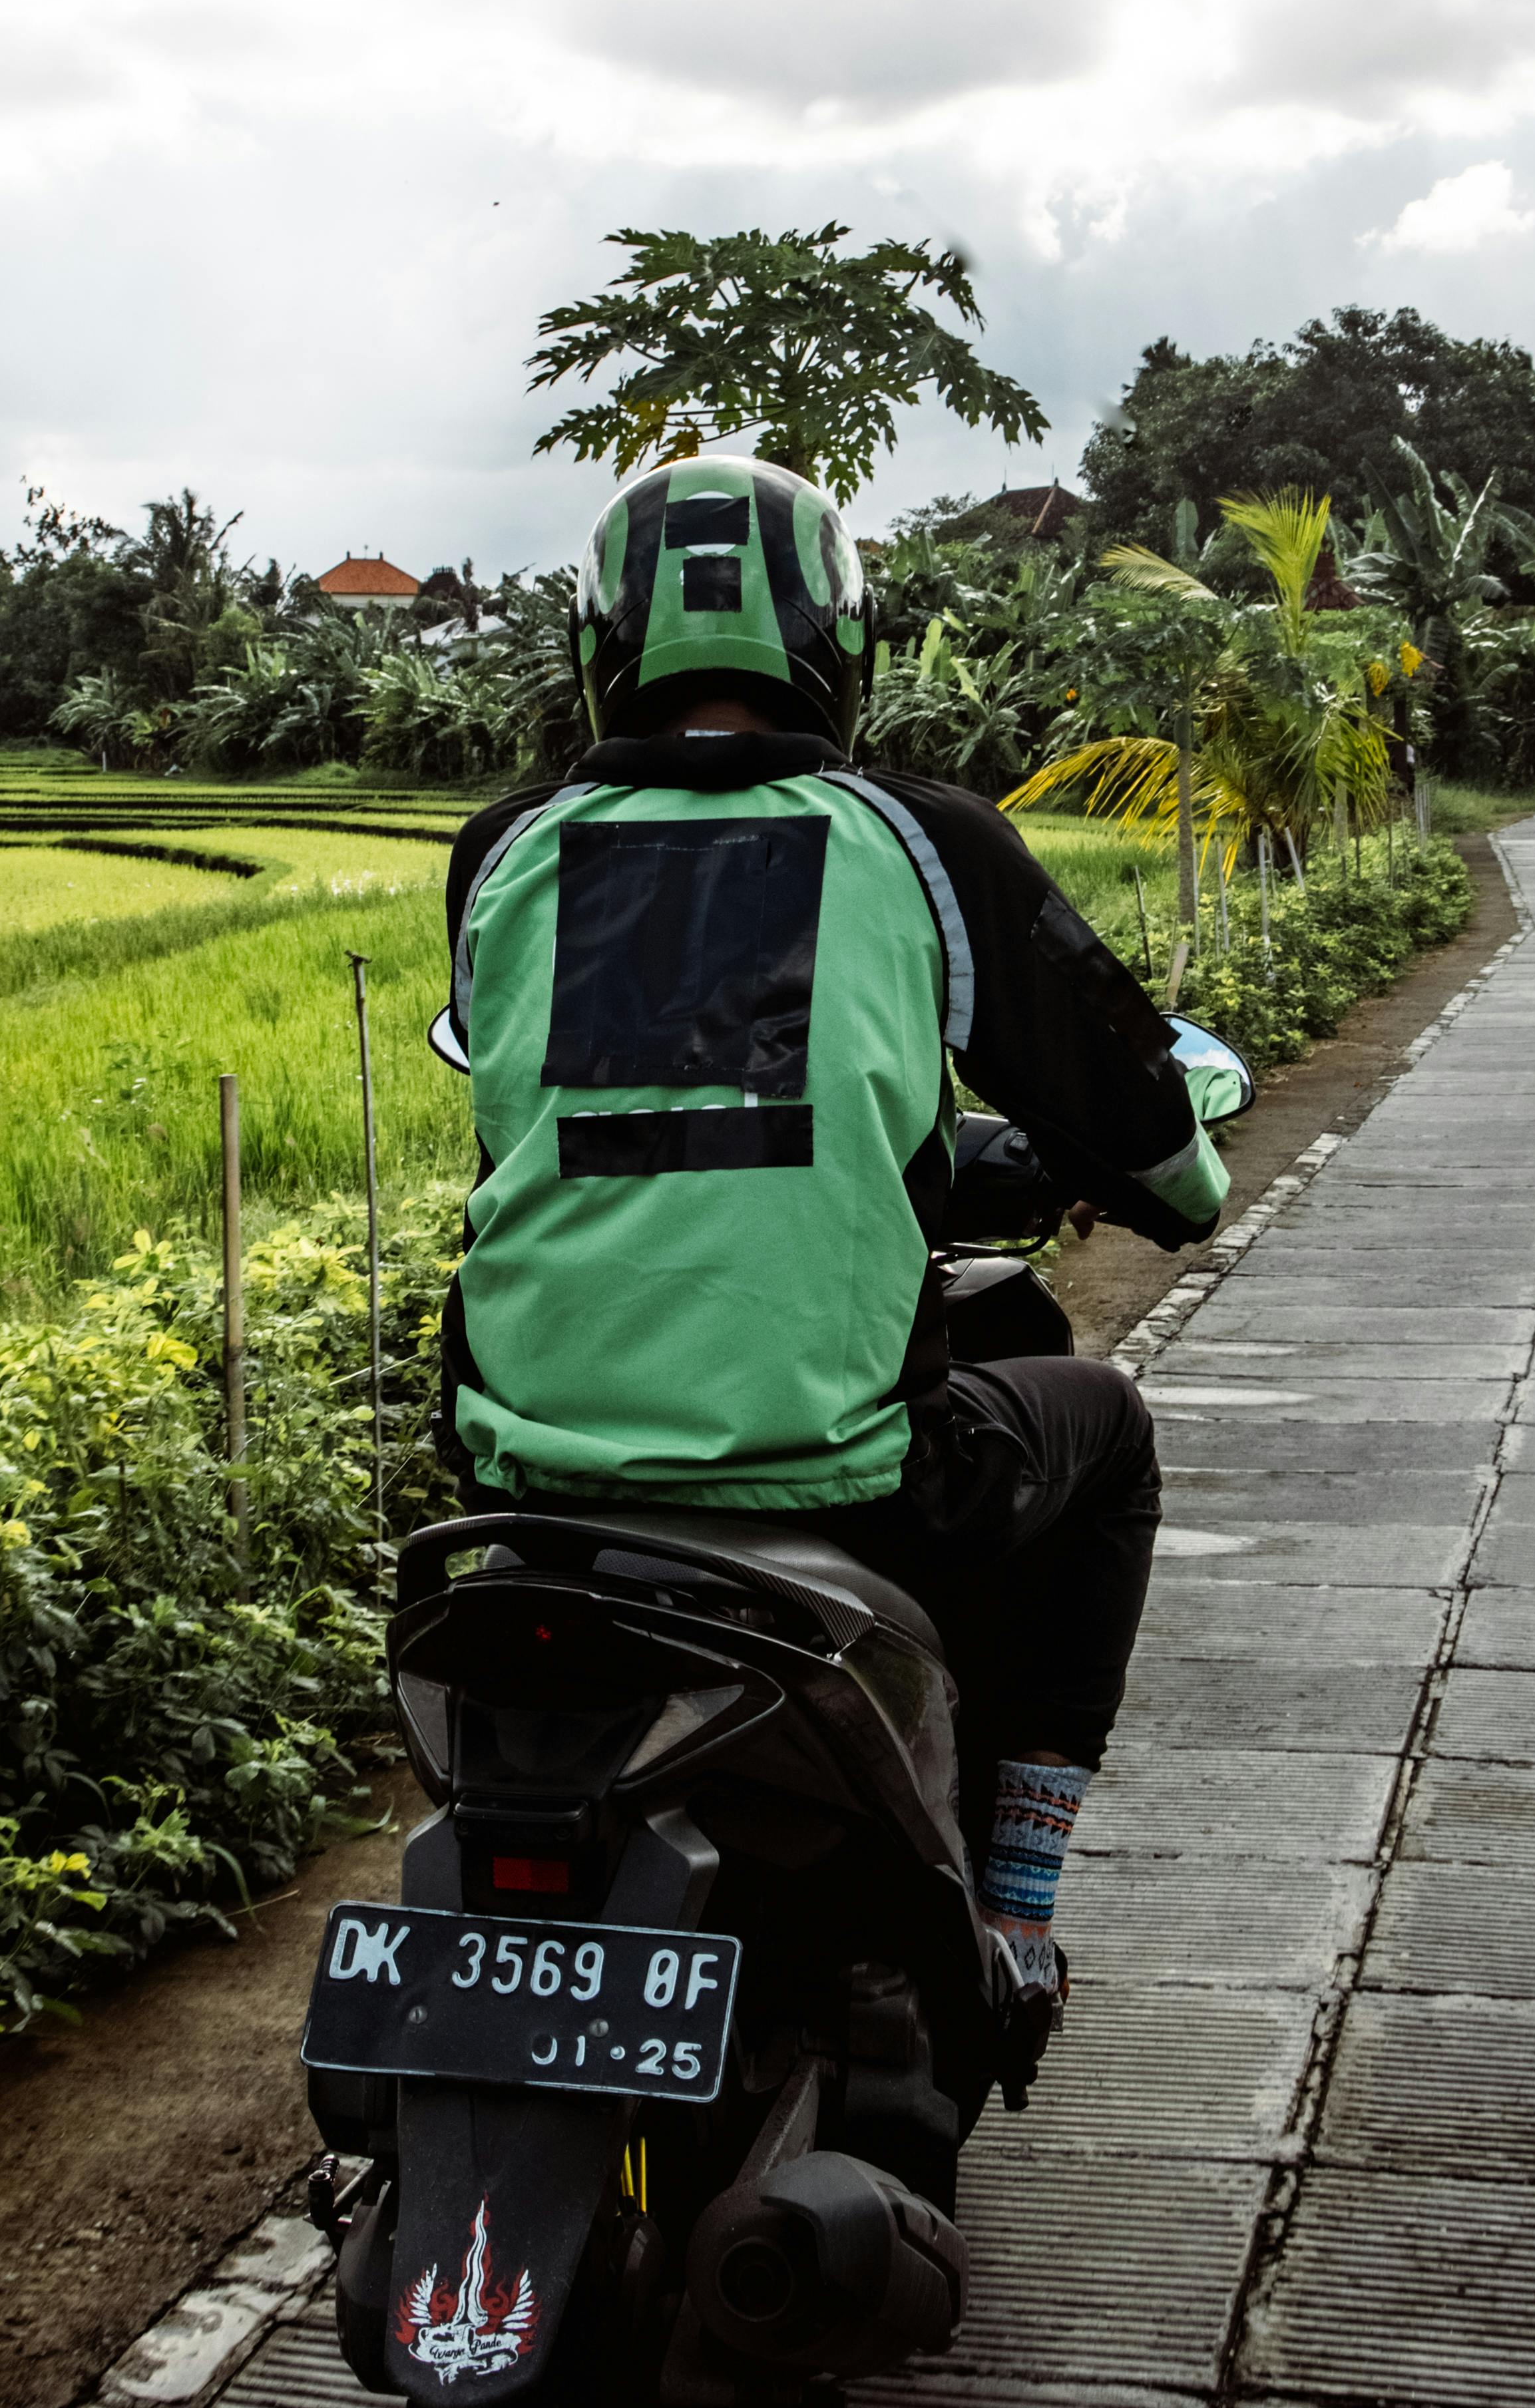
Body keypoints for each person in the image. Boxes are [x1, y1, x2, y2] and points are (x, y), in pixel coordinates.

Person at [435, 453, 1231, 2024]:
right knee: (1110, 1434)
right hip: (843, 1473)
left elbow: (570, 1117)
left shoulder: (509, 849)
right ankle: (1012, 1909)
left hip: (524, 1478)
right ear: (840, 643)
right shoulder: (922, 843)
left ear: (600, 648)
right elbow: (1165, 1165)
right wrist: (1151, 1149)